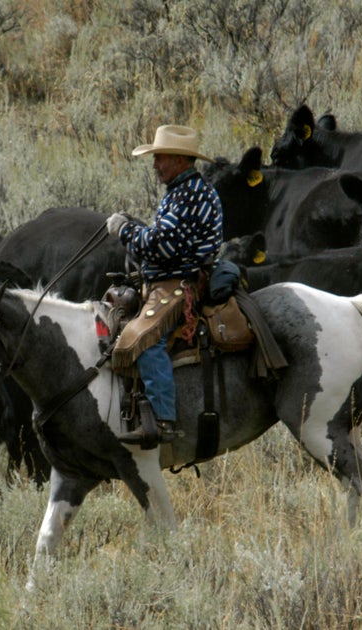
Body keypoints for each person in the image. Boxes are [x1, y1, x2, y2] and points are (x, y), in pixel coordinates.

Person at [106, 124, 224, 448]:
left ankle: (163, 420)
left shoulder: (189, 194)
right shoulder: (183, 190)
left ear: (181, 160)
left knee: (145, 340)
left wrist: (125, 231)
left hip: (181, 283)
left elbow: (162, 246)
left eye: (160, 158)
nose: (155, 165)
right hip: (169, 278)